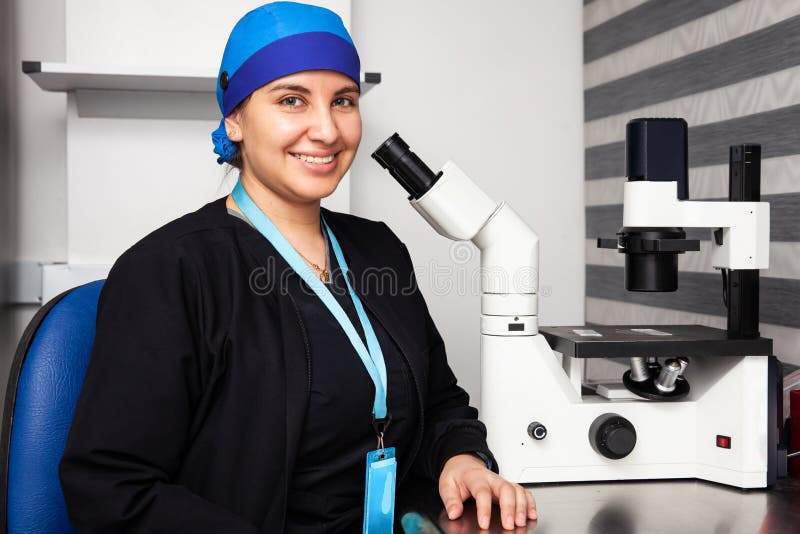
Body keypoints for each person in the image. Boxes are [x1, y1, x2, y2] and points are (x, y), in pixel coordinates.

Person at [58, 2, 537, 532]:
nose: (327, 131)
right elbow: (110, 488)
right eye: (292, 100)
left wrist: (461, 460)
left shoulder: (379, 251)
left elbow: (441, 403)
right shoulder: (169, 270)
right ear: (235, 119)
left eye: (344, 101)